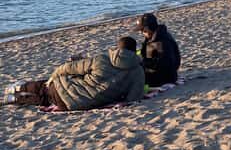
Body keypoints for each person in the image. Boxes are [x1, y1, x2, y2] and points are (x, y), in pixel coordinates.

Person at [3, 37, 144, 109]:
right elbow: (133, 98)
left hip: (67, 90)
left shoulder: (102, 59)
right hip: (74, 105)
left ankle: (18, 88)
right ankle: (15, 99)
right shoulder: (138, 72)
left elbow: (68, 68)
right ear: (134, 51)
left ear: (117, 49)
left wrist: (53, 77)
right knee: (45, 99)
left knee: (44, 87)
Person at [136, 13, 181, 88]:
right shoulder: (161, 34)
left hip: (165, 77)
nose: (142, 33)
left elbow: (156, 64)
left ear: (147, 28)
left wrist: (141, 62)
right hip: (171, 72)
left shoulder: (157, 41)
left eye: (142, 30)